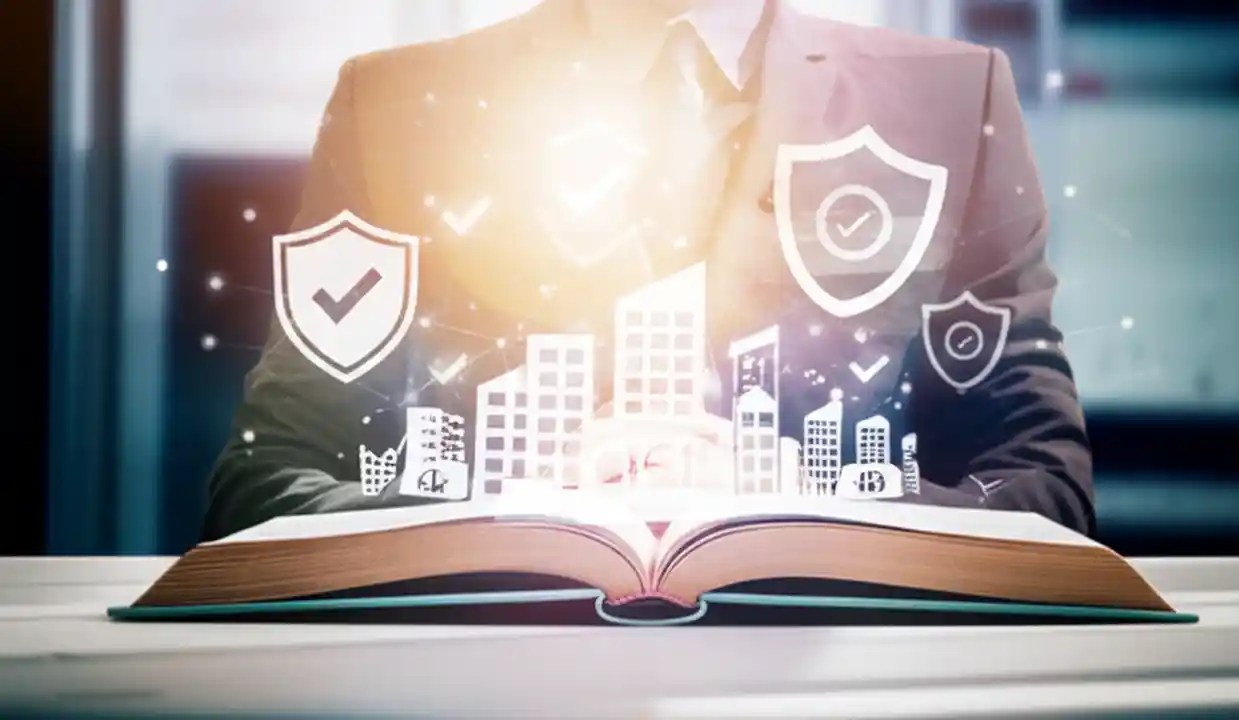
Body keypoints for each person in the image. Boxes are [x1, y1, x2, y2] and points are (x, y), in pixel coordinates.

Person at [202, 0, 1093, 540]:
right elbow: (264, 488)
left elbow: (1044, 496)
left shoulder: (950, 101)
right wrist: (511, 508)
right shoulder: (394, 110)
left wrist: (802, 498)